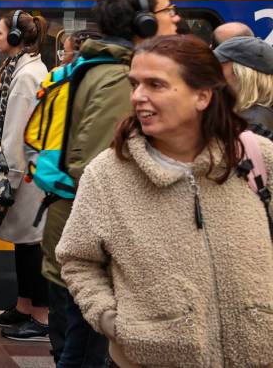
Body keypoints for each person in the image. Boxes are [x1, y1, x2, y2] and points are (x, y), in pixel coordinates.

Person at [57, 35, 273, 368]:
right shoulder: (108, 174)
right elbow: (77, 260)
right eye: (135, 84)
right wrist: (113, 322)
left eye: (155, 85)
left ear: (202, 95)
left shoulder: (257, 157)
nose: (137, 96)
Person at [43, 0, 179, 368]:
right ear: (144, 23)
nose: (176, 17)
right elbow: (98, 169)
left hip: (87, 235)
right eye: (168, 9)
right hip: (95, 247)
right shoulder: (121, 80)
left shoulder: (107, 69)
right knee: (86, 353)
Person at [0, 11, 51, 342]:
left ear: (15, 38)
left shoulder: (25, 77)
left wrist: (6, 180)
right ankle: (24, 306)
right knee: (25, 244)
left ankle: (42, 316)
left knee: (32, 245)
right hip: (28, 173)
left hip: (26, 176)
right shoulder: (21, 69)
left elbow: (16, 134)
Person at [214, 36, 273, 139]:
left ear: (240, 73)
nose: (213, 70)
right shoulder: (258, 115)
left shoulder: (251, 123)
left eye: (220, 64)